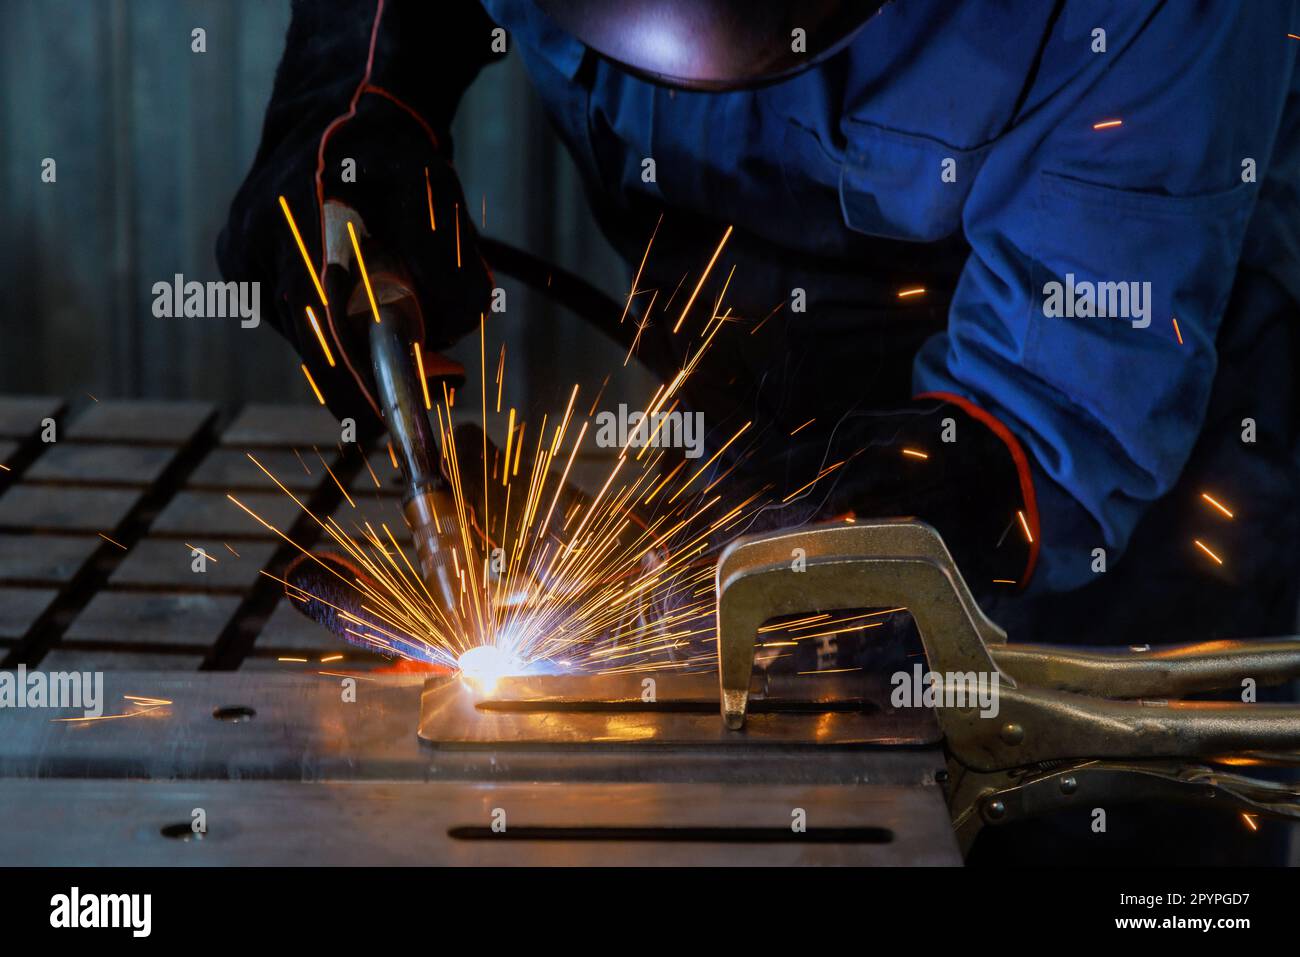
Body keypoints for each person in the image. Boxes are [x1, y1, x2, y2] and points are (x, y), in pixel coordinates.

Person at [219, 1, 1300, 863]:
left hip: (1107, 413)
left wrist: (883, 513)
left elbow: (1055, 410)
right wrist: (355, 100)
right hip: (748, 372)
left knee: (1096, 829)